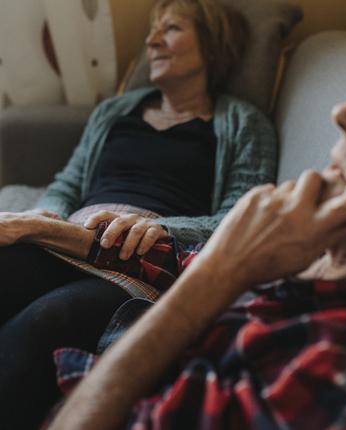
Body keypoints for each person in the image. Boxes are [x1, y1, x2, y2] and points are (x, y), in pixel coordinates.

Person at [34, 49, 346, 429]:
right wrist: (42, 225)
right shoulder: (318, 247)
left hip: (104, 386)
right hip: (106, 246)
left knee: (41, 323)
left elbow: (220, 237)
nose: (343, 113)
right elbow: (178, 257)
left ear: (210, 50)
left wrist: (217, 272)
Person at [0, 0, 277, 428]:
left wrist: (157, 227)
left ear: (212, 45)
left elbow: (237, 216)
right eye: (153, 30)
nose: (151, 41)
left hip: (140, 257)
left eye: (171, 28)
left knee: (41, 325)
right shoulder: (116, 111)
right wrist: (51, 219)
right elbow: (67, 184)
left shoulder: (244, 123)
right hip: (68, 239)